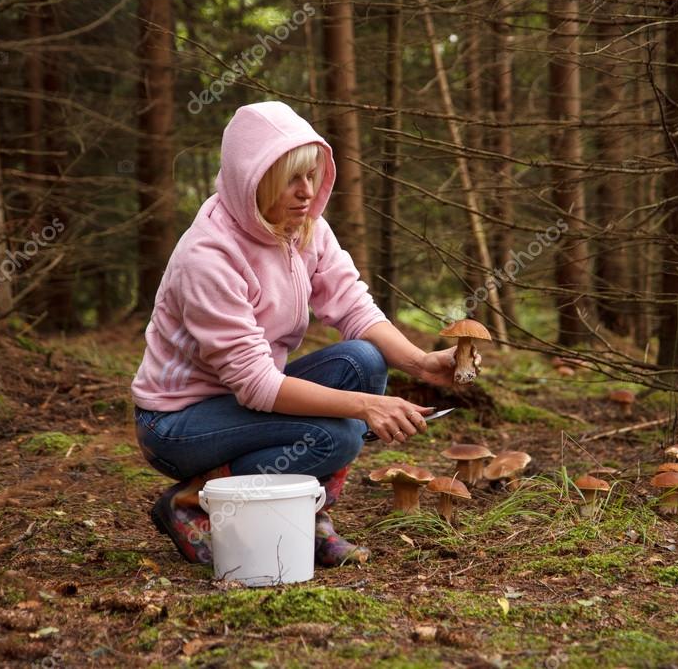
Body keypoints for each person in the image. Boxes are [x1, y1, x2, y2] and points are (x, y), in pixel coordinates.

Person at [130, 101, 463, 567]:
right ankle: (192, 504)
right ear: (253, 177)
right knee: (339, 438)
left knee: (365, 361)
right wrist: (366, 407)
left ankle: (311, 514)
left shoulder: (303, 228)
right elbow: (257, 384)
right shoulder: (208, 255)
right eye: (291, 178)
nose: (307, 192)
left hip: (241, 402)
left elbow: (352, 304)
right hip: (177, 424)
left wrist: (420, 362)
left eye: (311, 175)